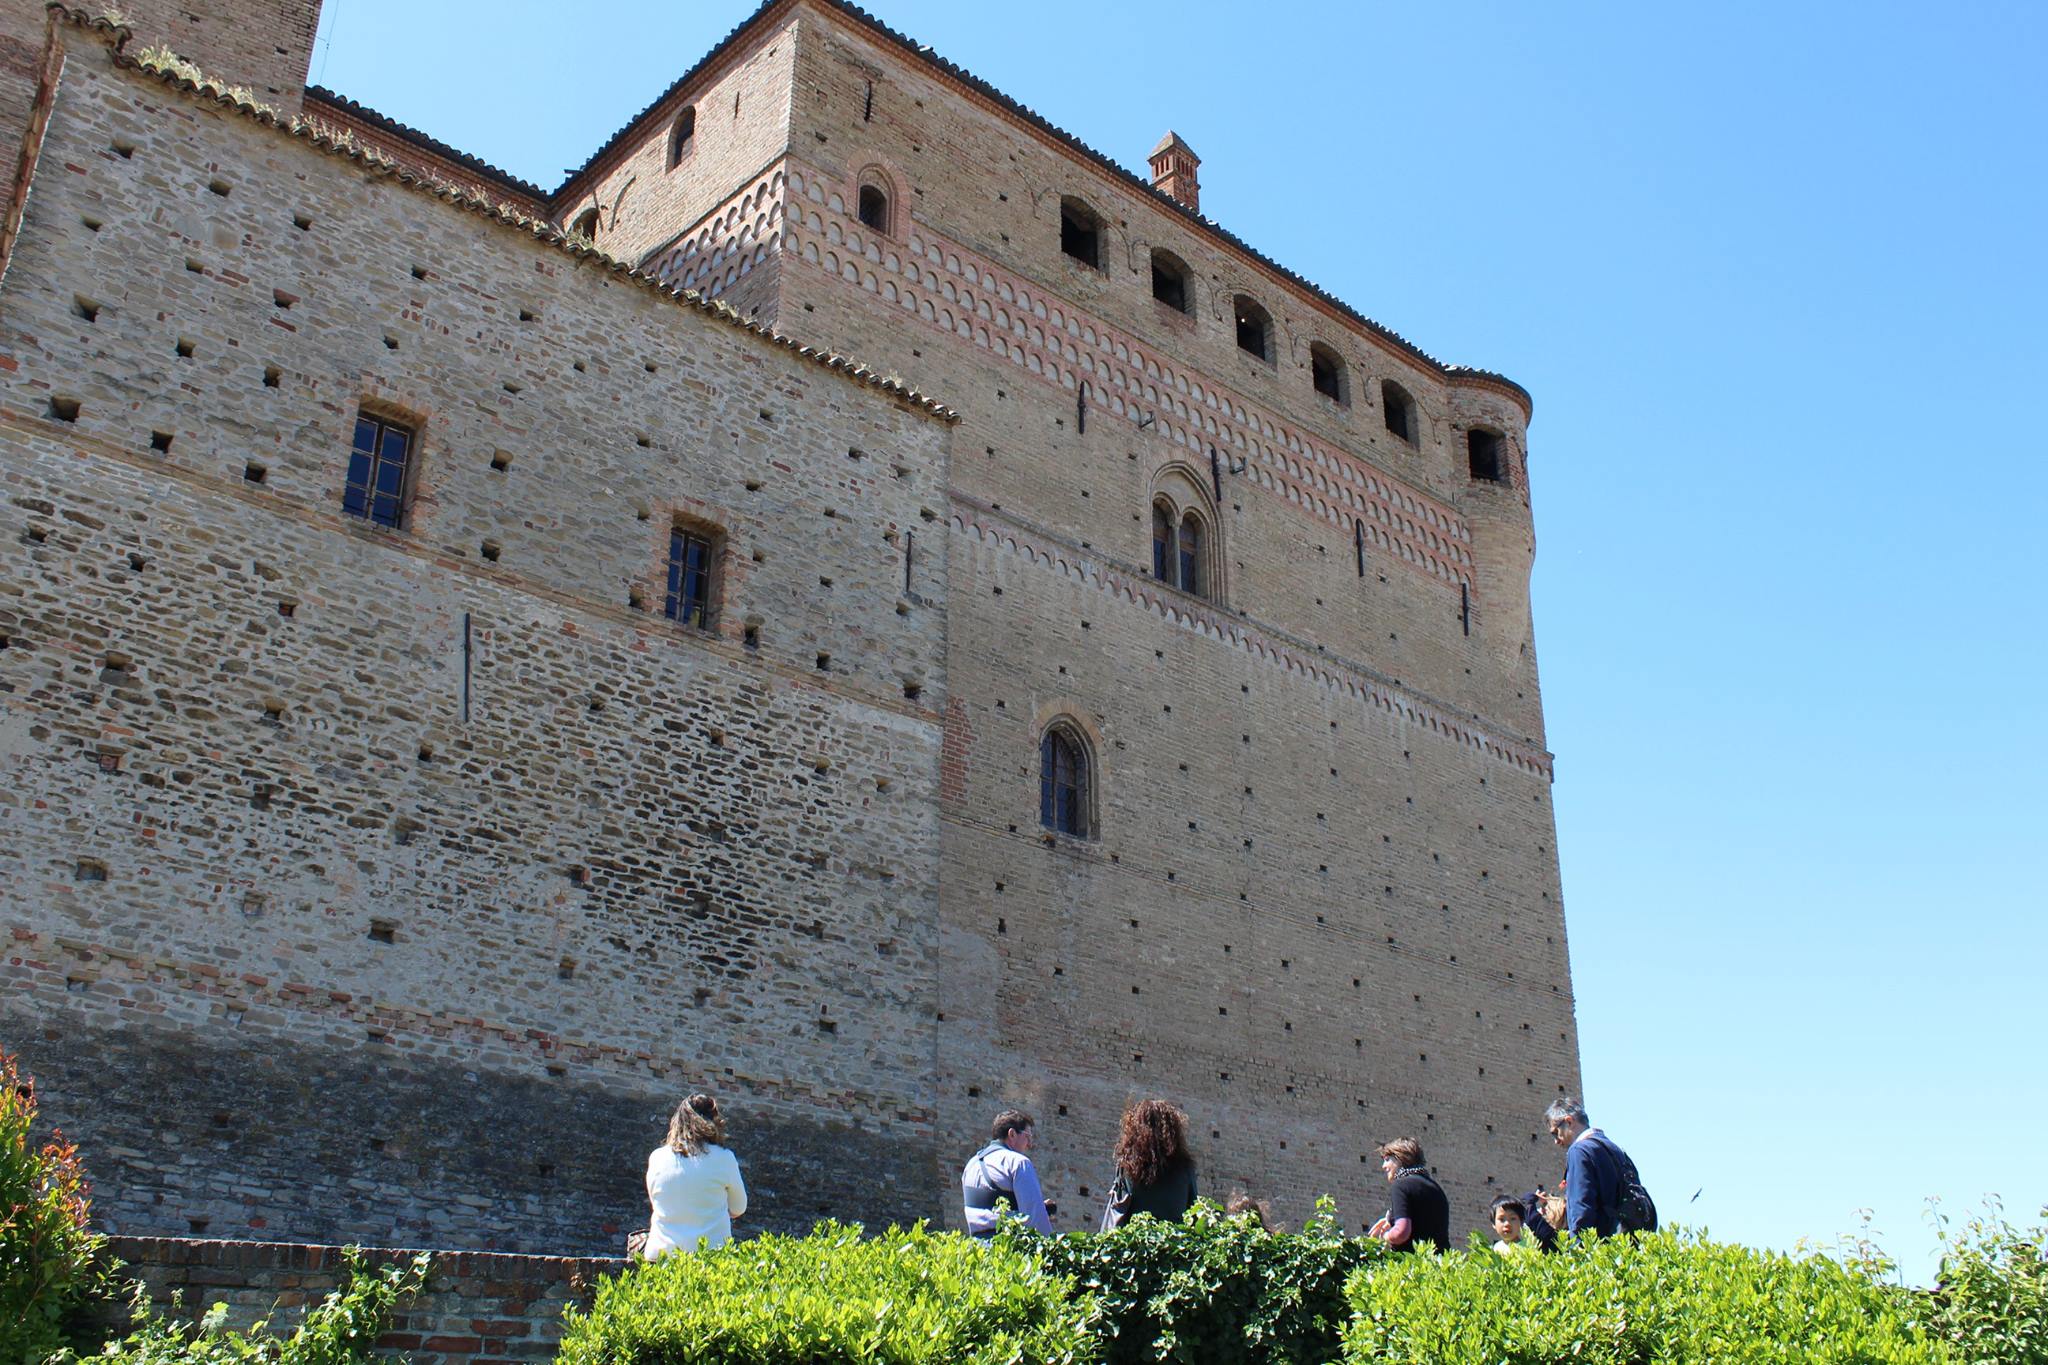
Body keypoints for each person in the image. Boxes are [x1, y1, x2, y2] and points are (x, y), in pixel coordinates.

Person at [642, 1093, 747, 1258]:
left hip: (661, 1256)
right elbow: (739, 1208)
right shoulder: (724, 1158)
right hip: (709, 1258)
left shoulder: (657, 1157)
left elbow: (657, 1202)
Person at [1545, 1096, 1654, 1238]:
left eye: (1555, 1133)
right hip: (1629, 1239)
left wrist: (1579, 1248)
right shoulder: (1615, 1149)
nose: (1556, 1141)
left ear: (1569, 1121)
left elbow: (1581, 1205)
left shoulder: (1579, 1150)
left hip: (1603, 1245)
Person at [1102, 1098, 1198, 1229]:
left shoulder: (1127, 1167)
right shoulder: (1185, 1168)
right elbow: (1194, 1210)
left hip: (1136, 1243)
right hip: (1175, 1243)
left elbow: (1118, 1210)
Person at [961, 1108, 1054, 1236]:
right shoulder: (1018, 1163)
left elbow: (987, 1210)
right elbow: (1036, 1222)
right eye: (1027, 1137)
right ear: (1012, 1134)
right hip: (1009, 1248)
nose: (1030, 1144)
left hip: (977, 1250)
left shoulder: (971, 1165)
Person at [1367, 1137, 1450, 1253]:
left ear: (1400, 1159)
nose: (1383, 1166)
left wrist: (1385, 1236)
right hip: (1439, 1265)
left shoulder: (1401, 1185)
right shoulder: (1436, 1188)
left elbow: (1401, 1232)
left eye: (1387, 1160)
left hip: (1413, 1265)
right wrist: (1391, 1219)